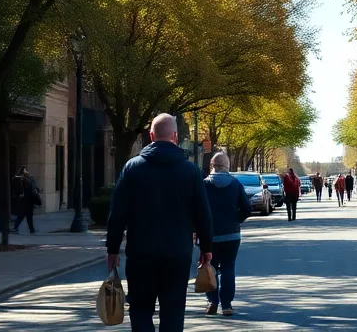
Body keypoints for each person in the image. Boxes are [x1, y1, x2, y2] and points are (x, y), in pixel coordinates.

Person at [106, 113, 213, 332]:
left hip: (140, 253)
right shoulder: (190, 171)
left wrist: (112, 248)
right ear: (175, 136)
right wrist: (207, 247)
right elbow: (202, 213)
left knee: (141, 310)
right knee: (173, 312)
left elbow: (117, 213)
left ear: (151, 135)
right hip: (177, 253)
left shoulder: (132, 168)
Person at [203, 152, 251, 318]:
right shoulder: (236, 184)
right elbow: (247, 208)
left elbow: (196, 210)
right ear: (227, 166)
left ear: (212, 165)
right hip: (231, 235)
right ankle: (227, 305)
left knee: (210, 267)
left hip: (209, 236)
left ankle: (212, 301)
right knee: (228, 268)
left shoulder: (204, 185)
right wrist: (236, 220)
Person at [11, 166, 37, 234]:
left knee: (26, 216)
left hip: (28, 200)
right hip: (24, 200)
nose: (27, 172)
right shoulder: (20, 179)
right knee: (22, 215)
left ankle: (31, 229)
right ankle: (17, 227)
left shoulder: (28, 179)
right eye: (25, 170)